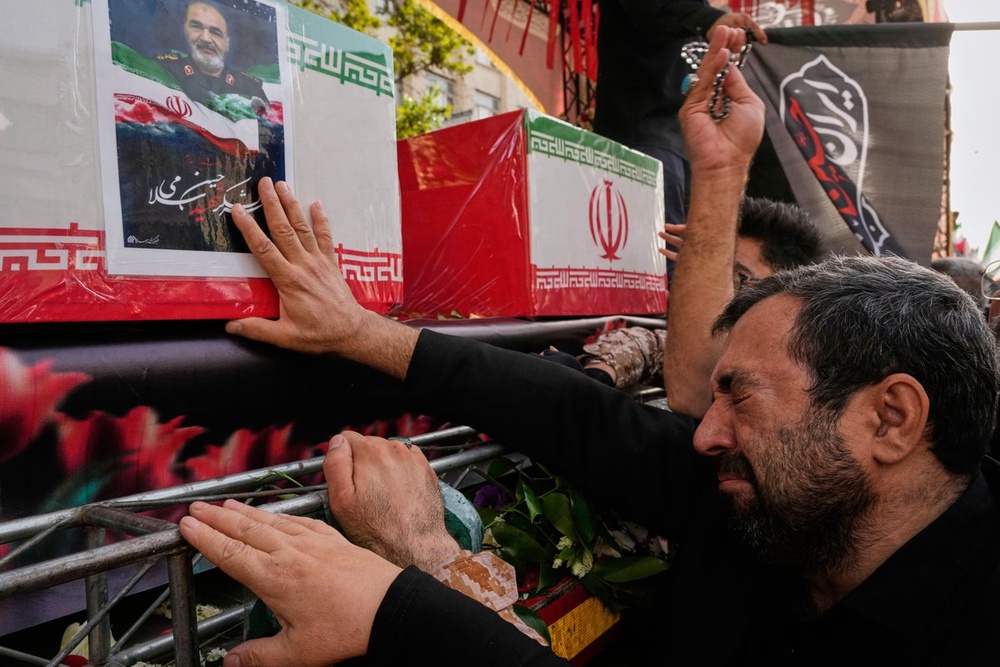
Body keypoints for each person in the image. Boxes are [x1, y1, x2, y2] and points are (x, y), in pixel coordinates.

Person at [179, 28, 1000, 665]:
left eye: (741, 396)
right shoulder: (783, 492)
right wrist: (362, 332)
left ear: (890, 419)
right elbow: (575, 413)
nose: (704, 431)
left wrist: (409, 595)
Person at [591, 1, 767, 274]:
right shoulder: (696, 14)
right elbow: (653, 11)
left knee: (697, 266)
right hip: (643, 137)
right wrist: (709, 19)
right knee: (657, 271)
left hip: (693, 146)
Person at [579, 197, 824, 389]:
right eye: (712, 274)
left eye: (735, 276)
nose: (714, 289)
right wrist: (598, 374)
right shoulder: (715, 338)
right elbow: (650, 346)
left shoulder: (806, 369)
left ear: (786, 287)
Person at [155, 0, 269, 111]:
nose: (205, 38)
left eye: (215, 32)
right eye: (196, 27)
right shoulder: (164, 69)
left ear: (228, 42)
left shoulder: (250, 88)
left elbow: (266, 127)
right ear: (185, 29)